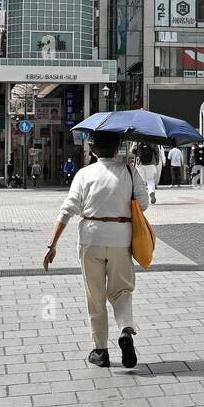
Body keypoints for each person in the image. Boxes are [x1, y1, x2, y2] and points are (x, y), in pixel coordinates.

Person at [43, 130, 149, 369]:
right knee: (121, 291)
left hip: (90, 237)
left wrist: (52, 244)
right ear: (116, 149)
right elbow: (143, 204)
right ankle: (125, 330)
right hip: (121, 238)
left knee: (95, 295)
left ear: (93, 150)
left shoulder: (84, 174)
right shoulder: (130, 172)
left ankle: (100, 351)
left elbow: (67, 210)